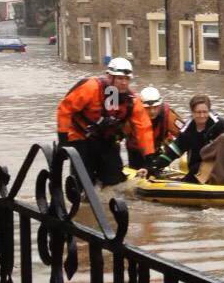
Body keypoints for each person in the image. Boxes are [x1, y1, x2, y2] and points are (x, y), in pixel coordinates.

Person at [56, 57, 154, 186]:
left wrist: (149, 159)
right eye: (120, 78)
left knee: (114, 180)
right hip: (81, 136)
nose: (124, 83)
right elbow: (65, 110)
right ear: (109, 77)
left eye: (127, 79)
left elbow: (144, 129)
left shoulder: (132, 100)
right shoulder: (91, 88)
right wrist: (63, 140)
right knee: (83, 180)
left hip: (106, 139)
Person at [146, 94, 224, 182]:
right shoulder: (187, 130)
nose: (202, 116)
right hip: (196, 167)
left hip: (217, 166)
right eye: (198, 112)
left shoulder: (219, 125)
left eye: (205, 112)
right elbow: (173, 152)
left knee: (198, 168)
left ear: (209, 111)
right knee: (195, 168)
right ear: (192, 112)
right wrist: (153, 167)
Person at [127, 86, 183, 171]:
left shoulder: (167, 115)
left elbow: (185, 133)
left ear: (160, 105)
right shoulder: (132, 115)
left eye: (155, 107)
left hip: (156, 150)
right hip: (136, 151)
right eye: (148, 108)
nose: (152, 111)